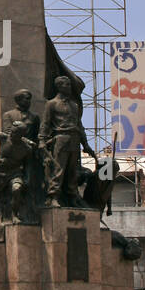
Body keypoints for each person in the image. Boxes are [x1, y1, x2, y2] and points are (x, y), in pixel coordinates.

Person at [39, 76, 97, 207]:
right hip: (60, 138)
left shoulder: (74, 105)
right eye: (67, 85)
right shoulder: (52, 104)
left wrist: (86, 144)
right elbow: (45, 124)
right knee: (59, 169)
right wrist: (42, 140)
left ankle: (72, 196)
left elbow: (79, 126)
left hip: (74, 138)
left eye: (70, 85)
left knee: (72, 170)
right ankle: (53, 196)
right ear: (59, 86)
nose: (70, 87)